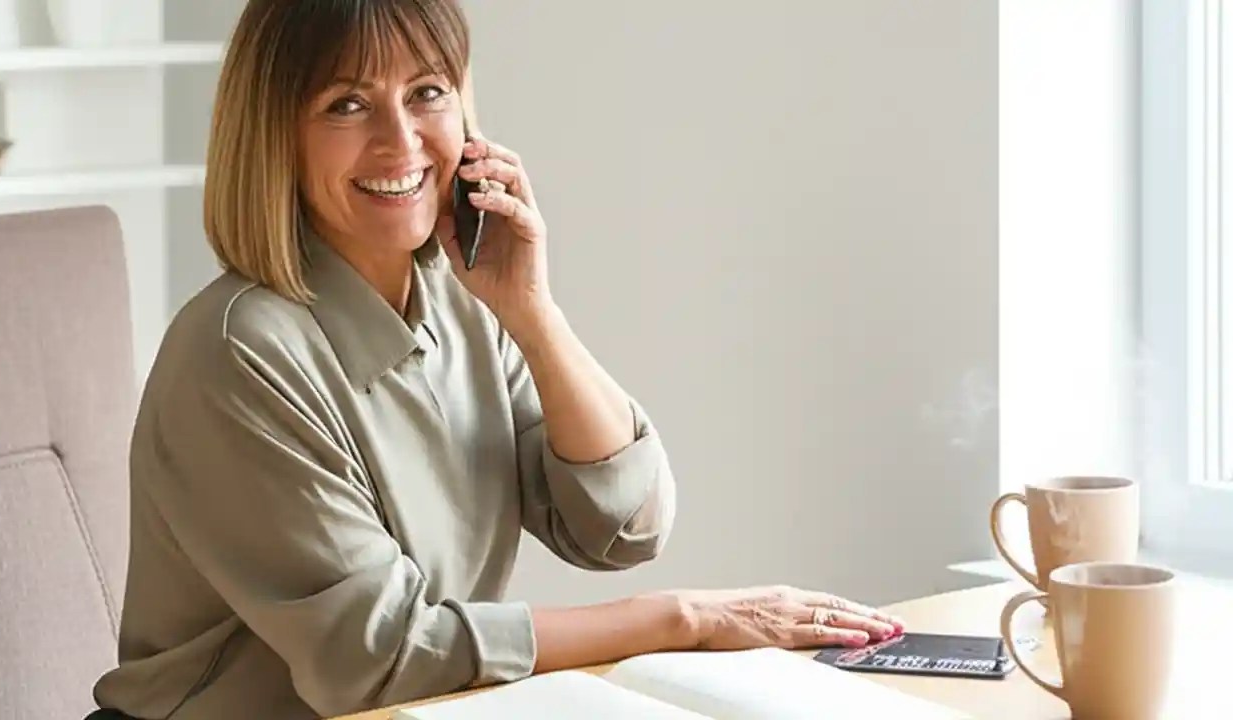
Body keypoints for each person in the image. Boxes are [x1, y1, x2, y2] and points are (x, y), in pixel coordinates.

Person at [89, 1, 904, 718]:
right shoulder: (240, 350)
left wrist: (532, 313)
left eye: (427, 93)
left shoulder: (461, 303)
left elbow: (620, 524)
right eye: (347, 104)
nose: (399, 140)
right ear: (276, 137)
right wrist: (683, 619)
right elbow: (381, 658)